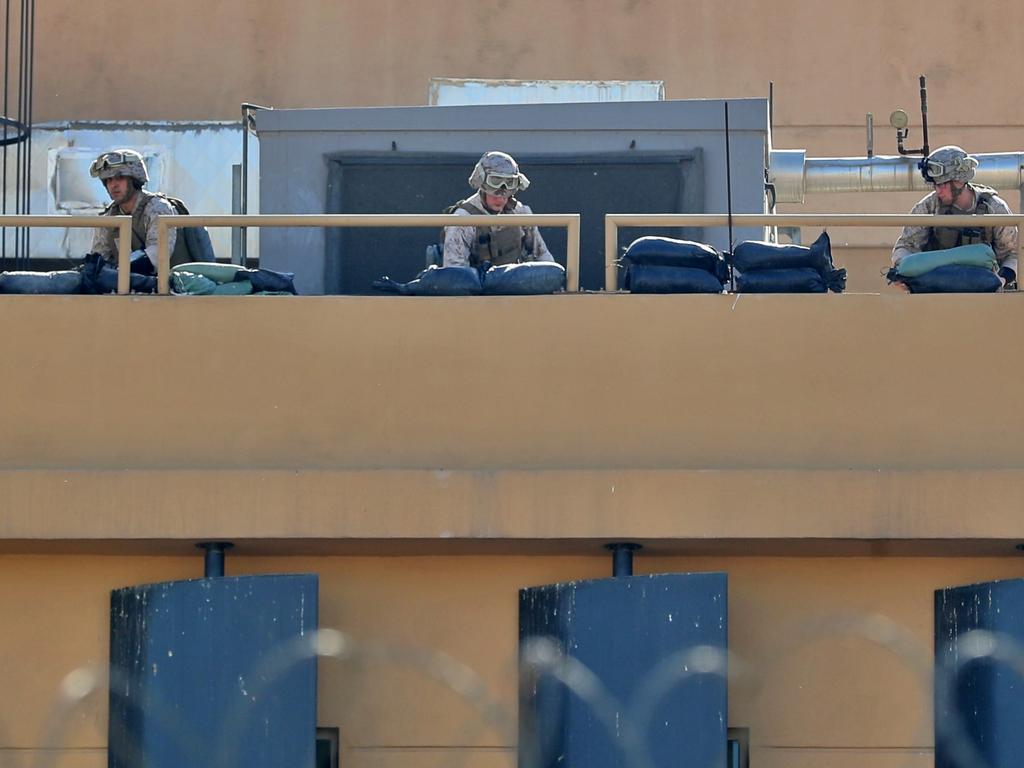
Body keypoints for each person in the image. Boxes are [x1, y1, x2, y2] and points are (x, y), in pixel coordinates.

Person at [892, 145, 1018, 288]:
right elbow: (906, 246)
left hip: (987, 293)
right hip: (936, 290)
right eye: (935, 185)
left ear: (959, 181)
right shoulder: (928, 207)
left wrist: (1000, 281)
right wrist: (904, 272)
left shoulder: (994, 208)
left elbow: (1013, 254)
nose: (938, 190)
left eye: (942, 184)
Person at [442, 151, 555, 268]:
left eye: (509, 183)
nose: (500, 197)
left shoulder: (520, 213)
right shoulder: (462, 220)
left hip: (516, 283)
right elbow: (455, 271)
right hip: (476, 284)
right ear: (483, 184)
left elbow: (542, 255)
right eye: (495, 183)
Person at [89, 149, 179, 272]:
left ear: (134, 179)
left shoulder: (157, 208)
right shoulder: (109, 217)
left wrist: (123, 270)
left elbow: (157, 255)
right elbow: (100, 257)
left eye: (119, 178)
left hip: (169, 286)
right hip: (127, 285)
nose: (113, 185)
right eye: (108, 180)